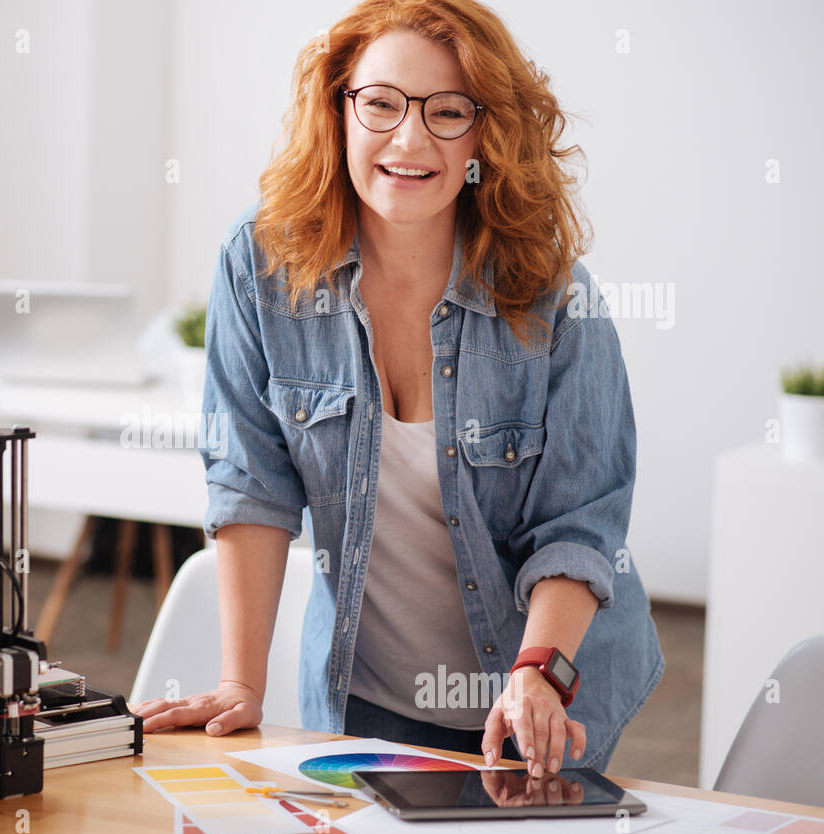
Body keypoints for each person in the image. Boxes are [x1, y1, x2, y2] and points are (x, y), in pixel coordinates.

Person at [132, 0, 664, 776]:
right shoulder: (261, 264)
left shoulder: (552, 297)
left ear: (487, 133)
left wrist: (535, 675)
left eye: (448, 111)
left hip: (533, 706)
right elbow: (251, 483)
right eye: (380, 103)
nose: (409, 139)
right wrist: (240, 682)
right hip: (363, 699)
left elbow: (579, 527)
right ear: (339, 107)